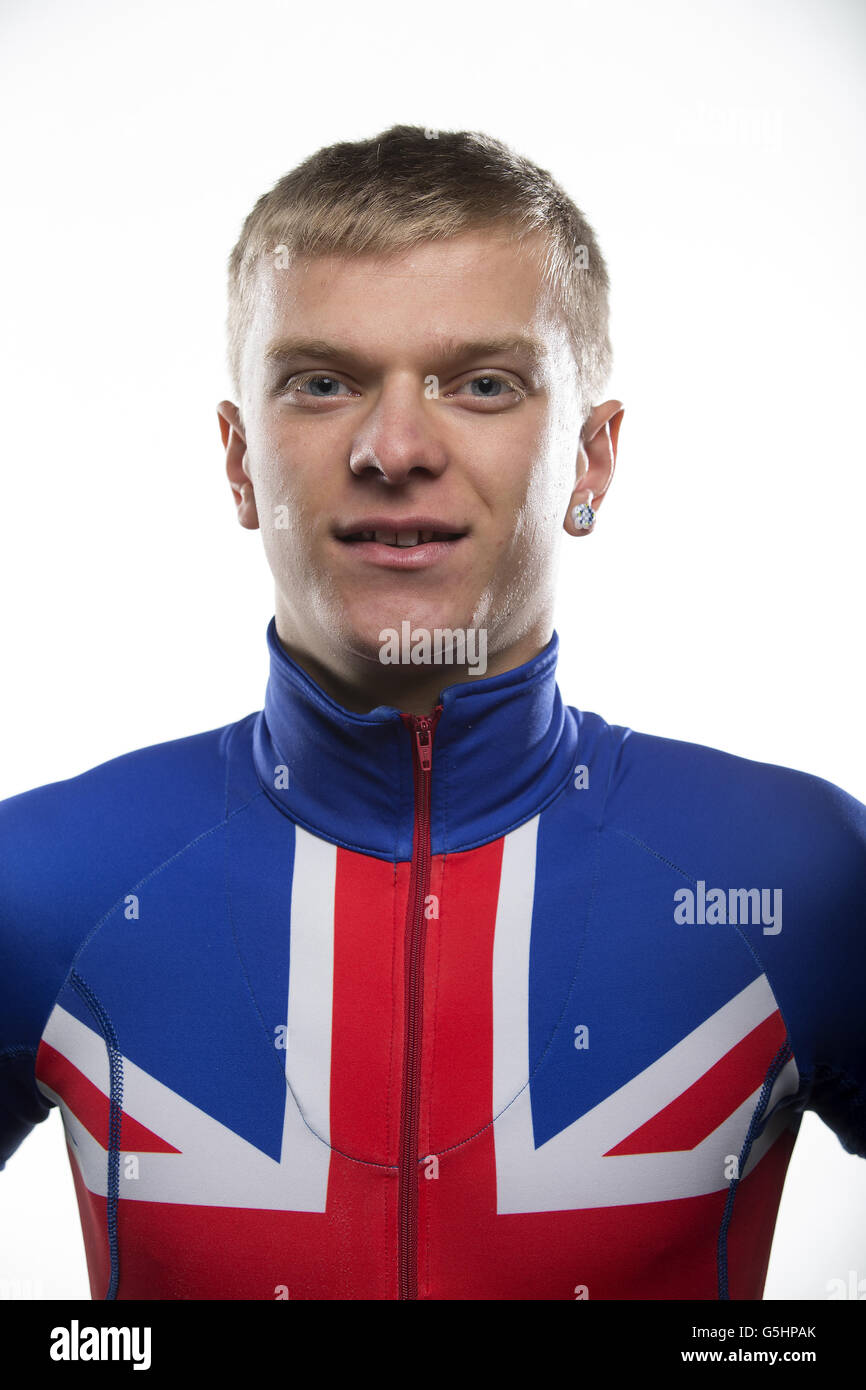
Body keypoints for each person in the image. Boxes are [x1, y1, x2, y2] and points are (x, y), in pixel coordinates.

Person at [1, 124, 863, 1302]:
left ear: (591, 459)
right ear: (239, 458)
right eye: (321, 381)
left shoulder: (804, 873)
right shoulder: (39, 880)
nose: (393, 447)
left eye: (481, 384)